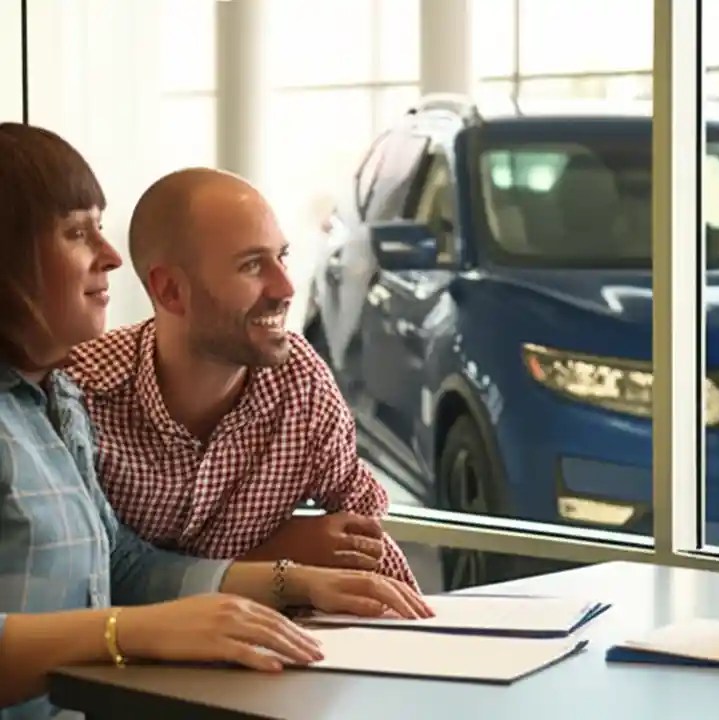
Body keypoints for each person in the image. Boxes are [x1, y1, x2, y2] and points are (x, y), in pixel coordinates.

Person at [0, 123, 432, 720]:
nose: (109, 256)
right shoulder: (85, 385)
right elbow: (126, 607)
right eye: (78, 233)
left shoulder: (52, 401)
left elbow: (123, 565)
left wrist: (295, 582)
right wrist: (133, 632)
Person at [62, 167, 419, 589]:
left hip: (266, 650)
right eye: (252, 266)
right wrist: (276, 555)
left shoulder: (298, 383)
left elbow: (364, 536)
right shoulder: (79, 394)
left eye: (281, 257)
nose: (286, 287)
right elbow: (91, 586)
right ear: (171, 291)